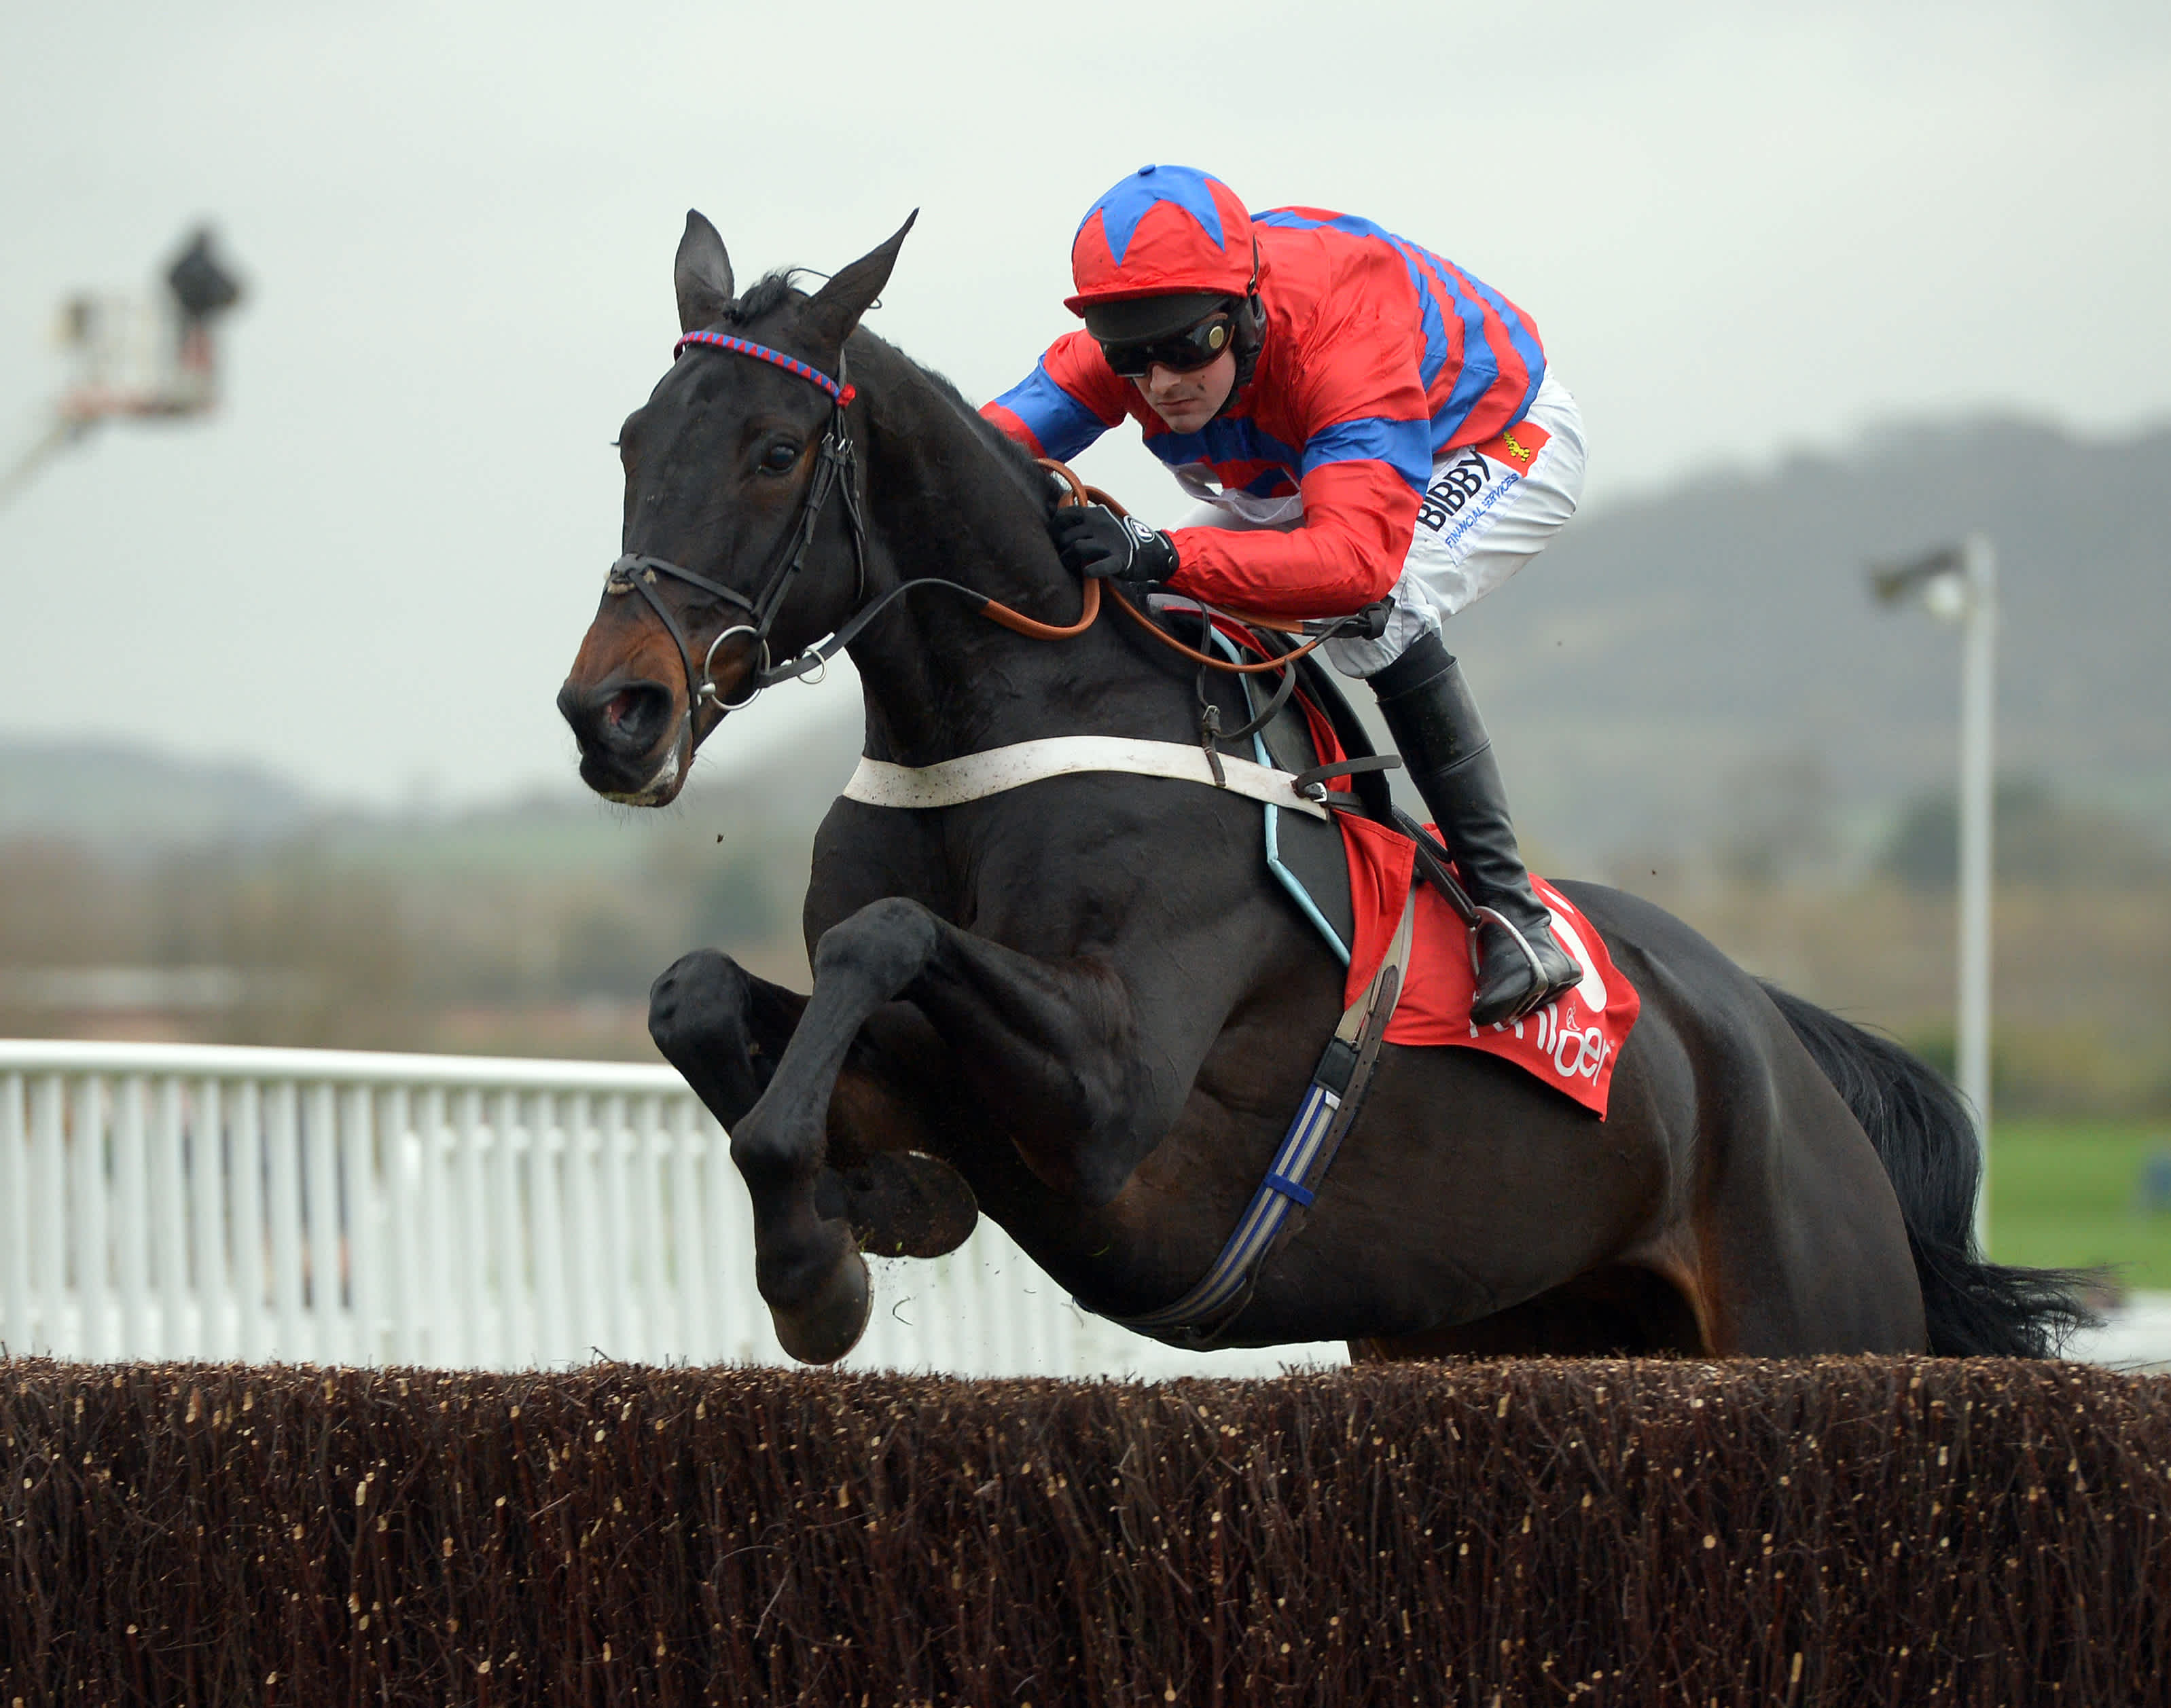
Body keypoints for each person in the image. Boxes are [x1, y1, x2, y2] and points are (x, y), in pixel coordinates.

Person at [982, 164, 1585, 1025]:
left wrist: (1160, 550)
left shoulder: (1346, 328)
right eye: (1131, 358)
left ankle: (1513, 916)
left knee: (1376, 611)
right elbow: (975, 449)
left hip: (1494, 440)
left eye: (1188, 348)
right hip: (1305, 468)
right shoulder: (1141, 337)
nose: (1159, 382)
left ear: (1247, 308)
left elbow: (1352, 562)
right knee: (1172, 601)